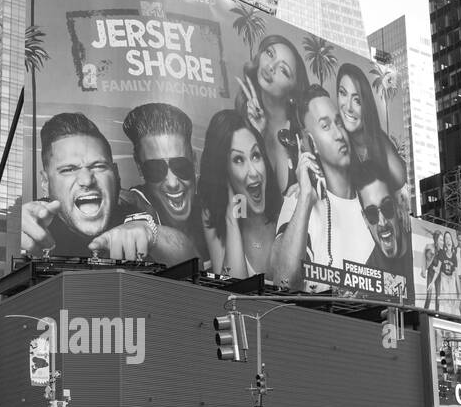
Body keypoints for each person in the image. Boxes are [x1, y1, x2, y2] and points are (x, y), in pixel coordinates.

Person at [20, 111, 198, 264]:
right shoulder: (37, 218)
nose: (86, 180)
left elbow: (189, 260)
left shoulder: (136, 207)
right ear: (45, 182)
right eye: (68, 170)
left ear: (116, 174)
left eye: (98, 166)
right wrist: (13, 232)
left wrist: (152, 235)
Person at [268, 85, 374, 289]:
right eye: (325, 126)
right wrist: (306, 197)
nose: (338, 134)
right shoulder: (299, 201)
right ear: (310, 142)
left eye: (339, 123)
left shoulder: (373, 200)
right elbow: (284, 279)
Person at [197, 110, 284, 278]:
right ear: (223, 171)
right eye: (238, 160)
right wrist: (231, 220)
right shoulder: (213, 215)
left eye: (256, 155)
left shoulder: (284, 210)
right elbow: (231, 292)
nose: (253, 172)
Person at [122, 102, 206, 260]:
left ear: (194, 161)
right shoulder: (132, 208)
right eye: (156, 170)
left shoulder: (207, 211)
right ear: (140, 168)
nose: (172, 183)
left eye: (180, 166)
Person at [235, 33, 310, 197]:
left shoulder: (303, 138)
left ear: (293, 91)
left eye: (283, 70)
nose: (270, 67)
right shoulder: (240, 125)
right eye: (269, 54)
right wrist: (257, 135)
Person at [335, 61, 406, 195]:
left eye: (357, 100)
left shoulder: (380, 142)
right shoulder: (336, 140)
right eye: (343, 93)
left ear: (366, 105)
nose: (348, 107)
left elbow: (401, 181)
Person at [354, 160, 413, 297]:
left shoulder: (422, 247)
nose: (382, 222)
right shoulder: (366, 282)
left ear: (398, 207)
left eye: (387, 207)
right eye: (372, 213)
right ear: (365, 219)